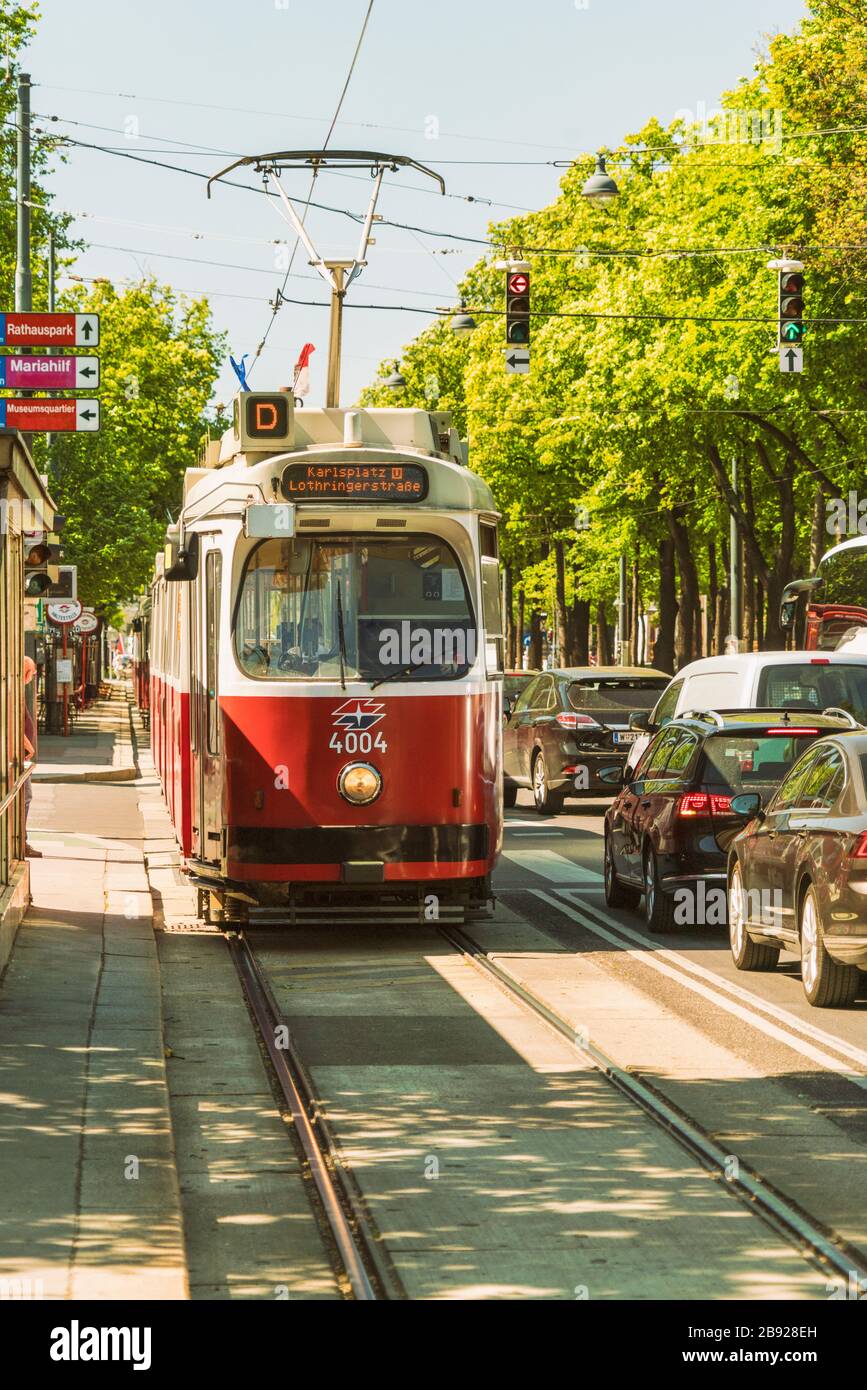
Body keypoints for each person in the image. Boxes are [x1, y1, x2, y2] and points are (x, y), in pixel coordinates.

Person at [22, 656, 41, 858]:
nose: (31, 677)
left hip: (21, 755)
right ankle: (21, 841)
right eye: (32, 673)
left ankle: (21, 840)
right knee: (25, 796)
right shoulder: (12, 692)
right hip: (18, 756)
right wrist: (26, 744)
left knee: (26, 797)